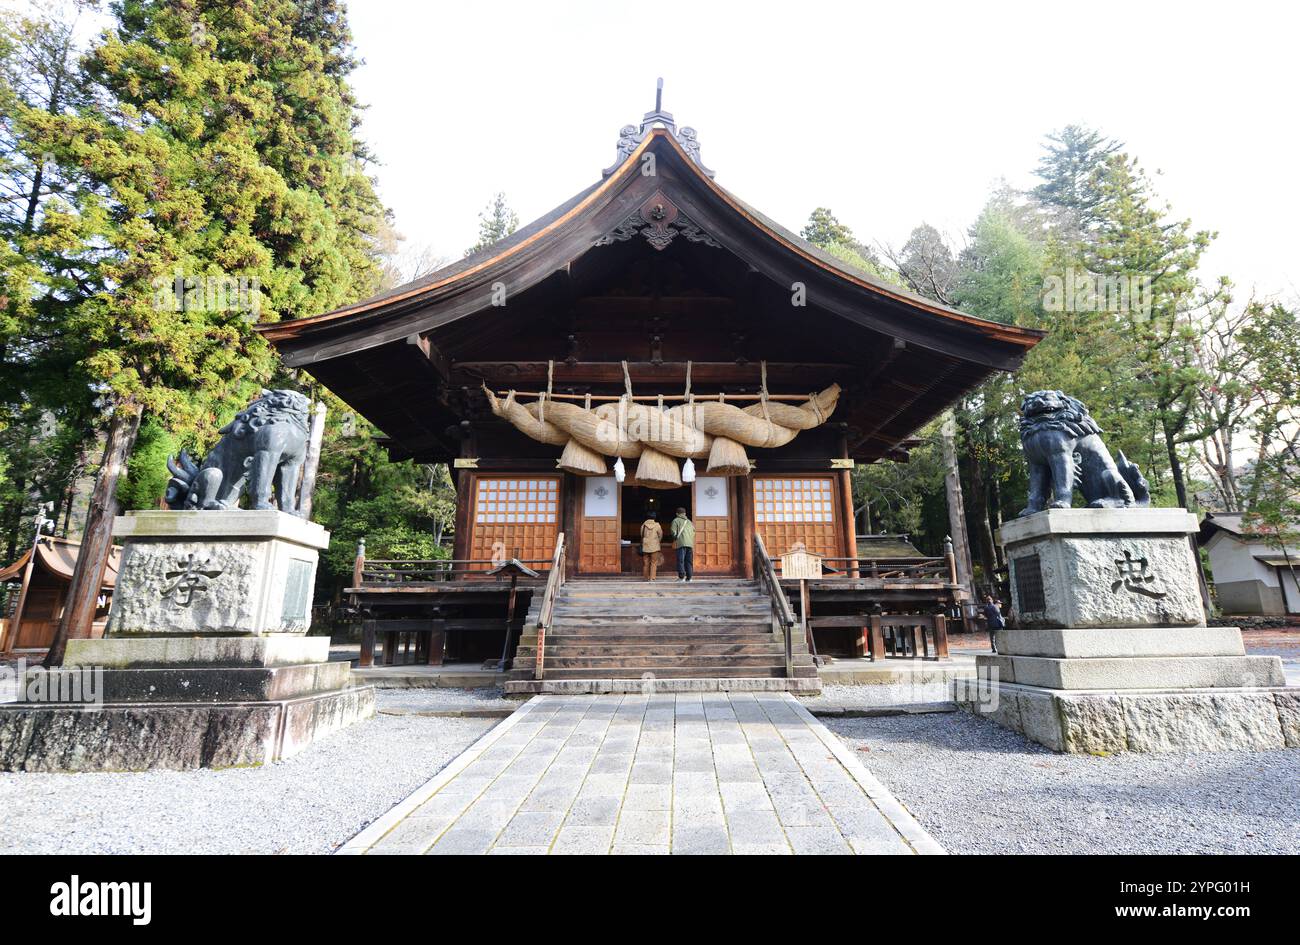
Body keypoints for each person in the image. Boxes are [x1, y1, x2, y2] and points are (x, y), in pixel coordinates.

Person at [670, 507, 695, 582]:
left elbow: (673, 532)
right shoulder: (689, 522)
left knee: (681, 560)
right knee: (689, 561)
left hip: (681, 543)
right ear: (685, 514)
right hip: (690, 544)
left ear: (677, 513)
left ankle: (681, 577)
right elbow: (694, 532)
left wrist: (675, 538)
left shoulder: (675, 521)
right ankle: (689, 578)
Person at [639, 511, 663, 582]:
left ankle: (646, 578)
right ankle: (652, 578)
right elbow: (660, 535)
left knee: (646, 563)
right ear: (655, 517)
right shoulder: (657, 525)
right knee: (654, 563)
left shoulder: (643, 526)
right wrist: (657, 541)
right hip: (655, 546)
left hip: (645, 546)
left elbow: (641, 535)